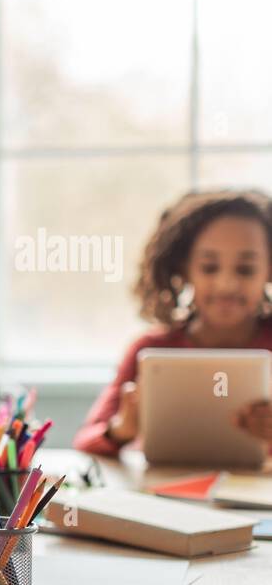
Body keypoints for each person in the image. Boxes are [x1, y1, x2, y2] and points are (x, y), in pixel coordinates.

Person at [73, 189, 272, 455]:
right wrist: (123, 428)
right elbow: (86, 441)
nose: (226, 284)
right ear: (184, 268)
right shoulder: (150, 350)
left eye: (245, 269)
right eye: (209, 267)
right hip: (161, 493)